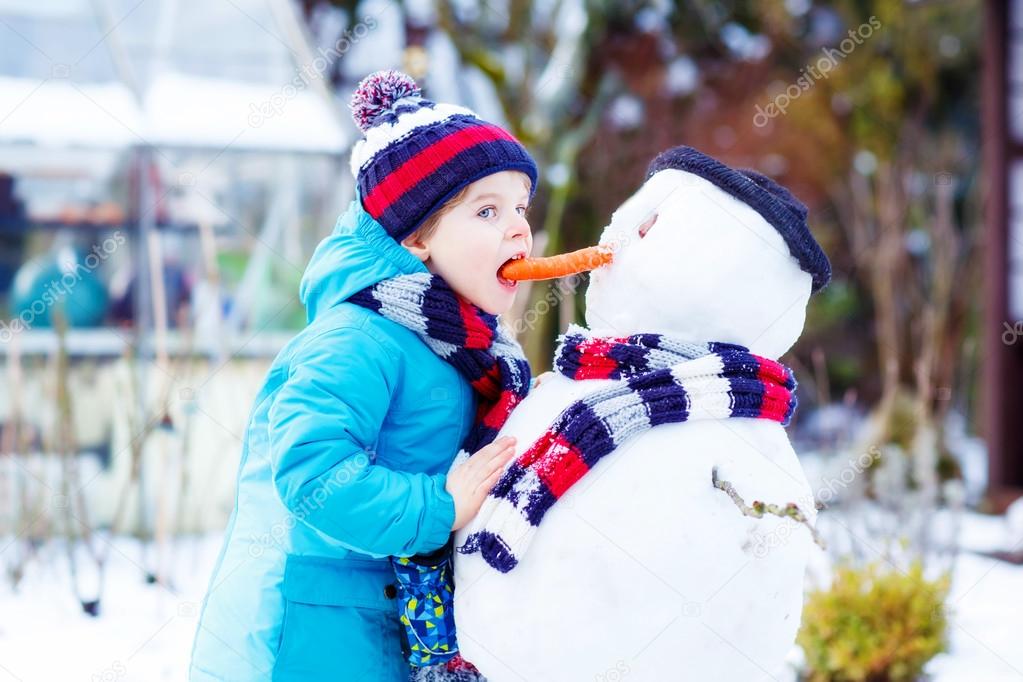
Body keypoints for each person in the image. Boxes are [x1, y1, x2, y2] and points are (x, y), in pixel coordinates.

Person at [189, 70, 539, 681]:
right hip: (322, 625)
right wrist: (439, 506)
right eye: (487, 210)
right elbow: (312, 472)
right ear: (417, 236)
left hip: (393, 612)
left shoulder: (467, 348)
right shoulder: (356, 338)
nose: (518, 228)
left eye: (520, 208)